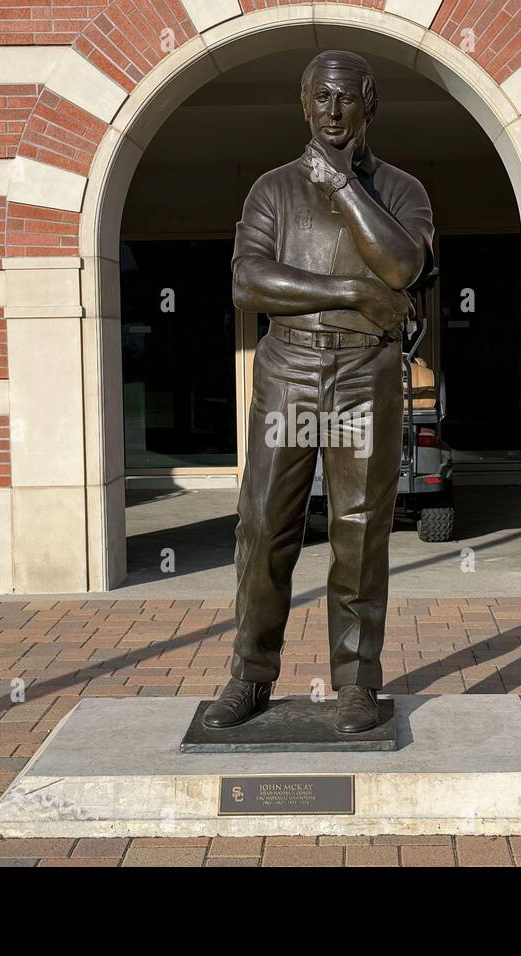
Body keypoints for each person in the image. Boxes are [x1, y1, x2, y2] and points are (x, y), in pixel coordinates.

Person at [202, 50, 435, 733]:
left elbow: (403, 265)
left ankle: (357, 680)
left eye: (344, 97)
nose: (331, 111)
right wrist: (353, 291)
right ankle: (250, 674)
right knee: (265, 524)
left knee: (360, 530)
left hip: (366, 372)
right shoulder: (272, 190)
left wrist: (339, 187)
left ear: (369, 103)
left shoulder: (401, 190)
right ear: (304, 106)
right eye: (319, 99)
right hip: (290, 372)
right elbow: (248, 284)